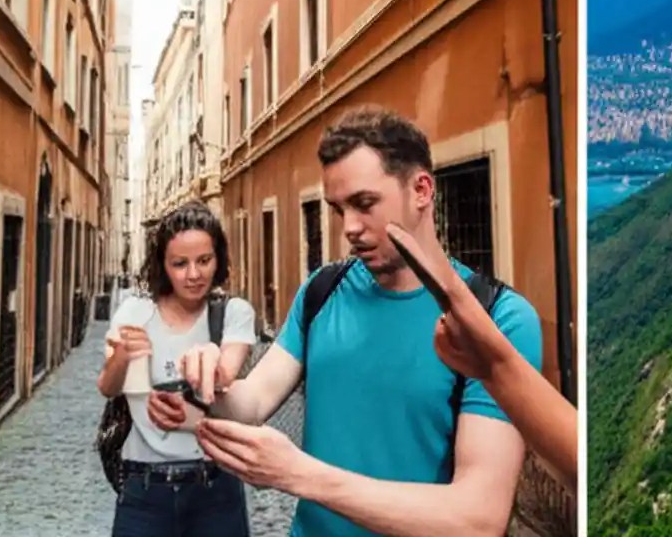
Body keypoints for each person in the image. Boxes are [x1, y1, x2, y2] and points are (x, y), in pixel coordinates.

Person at [148, 106, 542, 537]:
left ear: (421, 190)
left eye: (364, 204)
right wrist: (209, 383)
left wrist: (299, 474)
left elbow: (478, 518)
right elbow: (252, 403)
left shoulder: (498, 319)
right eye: (339, 210)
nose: (349, 228)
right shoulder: (322, 290)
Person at [97, 200, 257, 537]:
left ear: (218, 259)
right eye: (180, 264)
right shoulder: (135, 312)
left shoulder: (233, 312)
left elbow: (227, 373)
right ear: (163, 265)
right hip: (144, 487)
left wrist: (207, 362)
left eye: (204, 260)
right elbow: (108, 387)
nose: (194, 274)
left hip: (215, 486)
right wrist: (123, 354)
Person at [386, 223, 578, 493]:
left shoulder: (507, 313)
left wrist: (496, 368)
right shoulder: (329, 288)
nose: (351, 228)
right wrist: (495, 369)